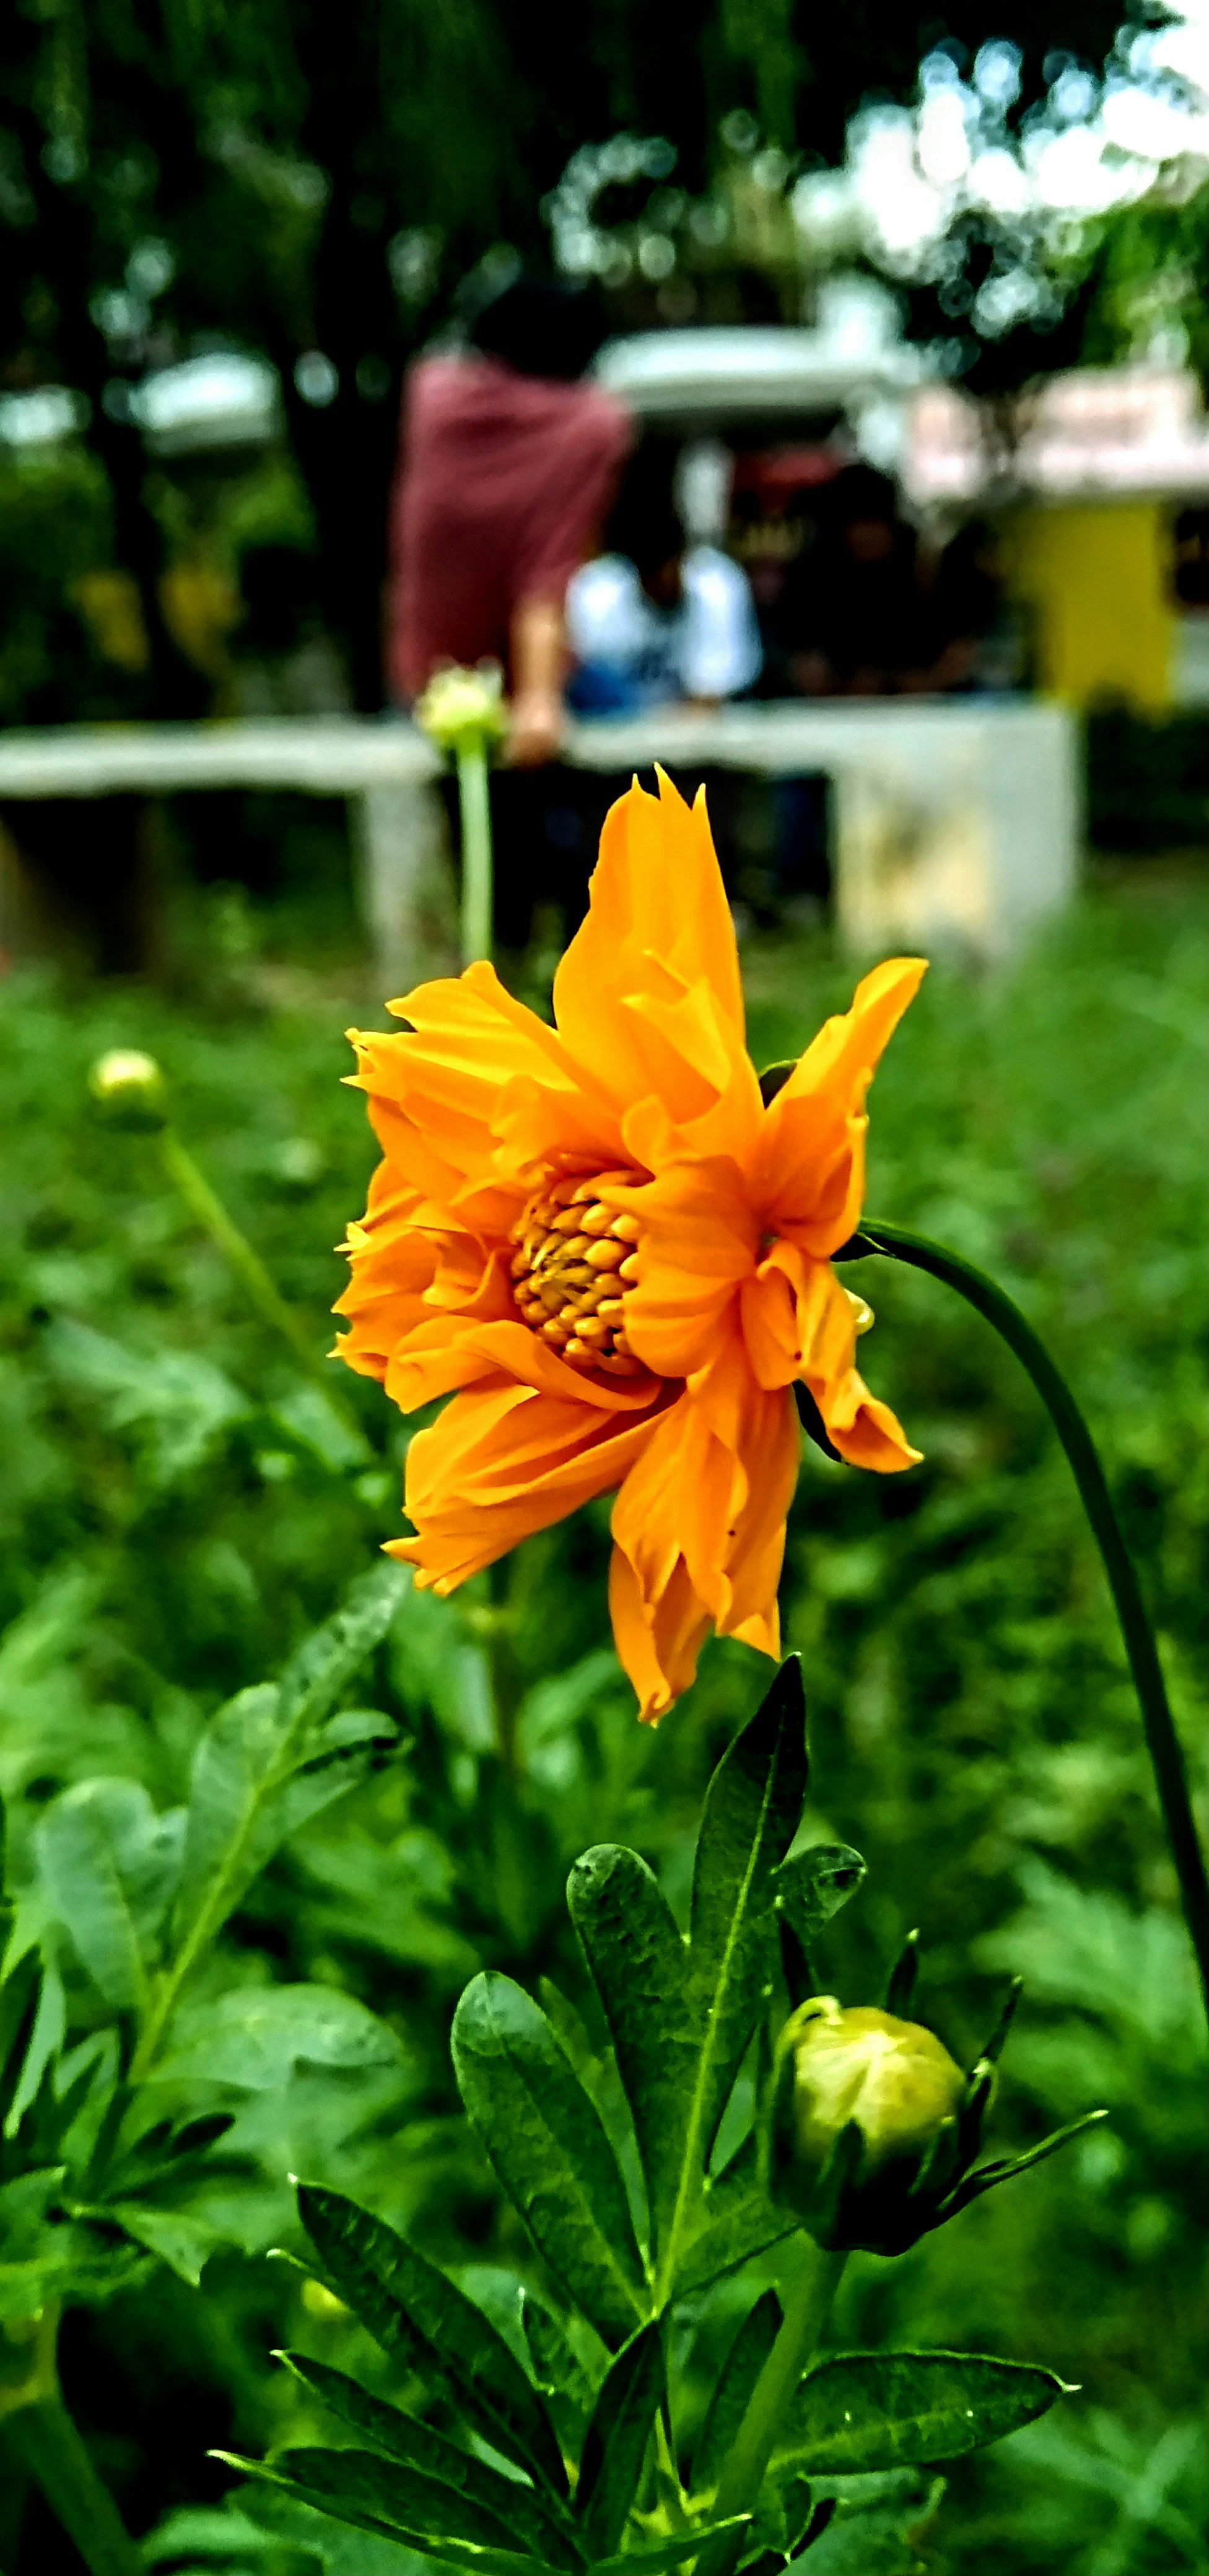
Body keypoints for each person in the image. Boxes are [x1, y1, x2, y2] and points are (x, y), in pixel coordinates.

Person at [386, 276, 630, 764]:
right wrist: (539, 699)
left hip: (421, 677)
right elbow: (546, 569)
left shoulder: (431, 396)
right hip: (514, 688)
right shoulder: (586, 425)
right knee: (648, 748)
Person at [565, 440, 762, 711]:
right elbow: (575, 676)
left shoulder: (717, 586)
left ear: (683, 558)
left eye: (669, 568)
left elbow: (710, 703)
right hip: (620, 724)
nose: (663, 581)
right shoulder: (597, 592)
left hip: (705, 740)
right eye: (651, 572)